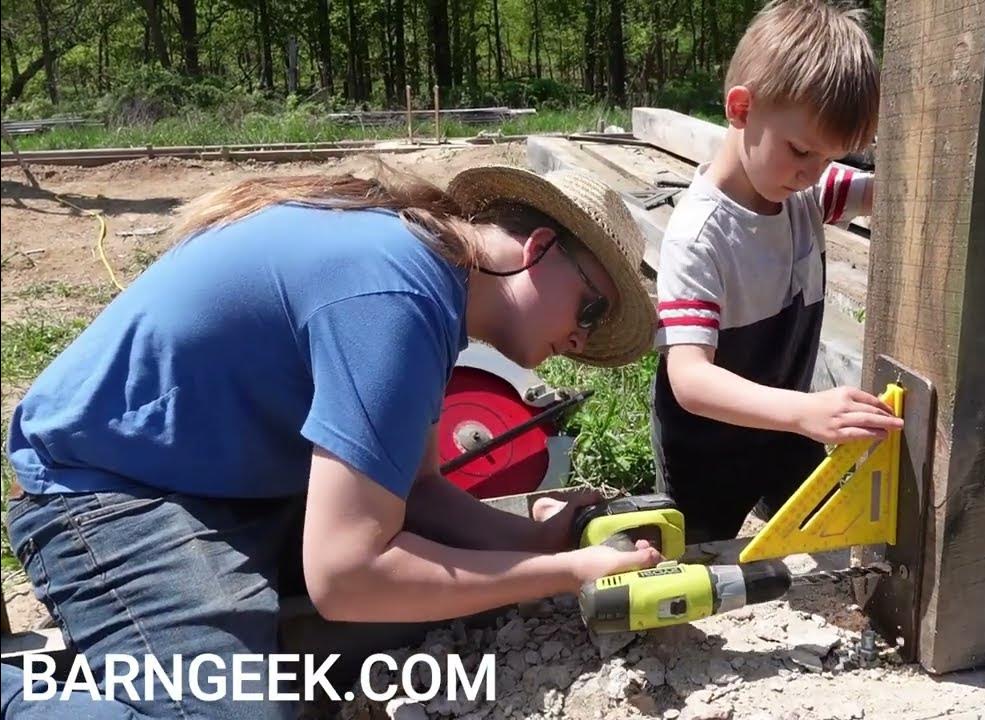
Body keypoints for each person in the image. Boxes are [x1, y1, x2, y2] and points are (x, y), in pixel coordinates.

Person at [2, 162, 663, 718]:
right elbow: (346, 577)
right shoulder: (394, 292)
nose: (580, 341)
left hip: (220, 482)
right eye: (591, 309)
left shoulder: (425, 277)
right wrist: (562, 573)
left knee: (423, 608)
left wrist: (530, 543)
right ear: (539, 247)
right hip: (103, 492)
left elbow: (417, 490)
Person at [651, 0, 904, 543]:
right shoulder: (700, 235)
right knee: (701, 563)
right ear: (741, 110)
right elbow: (690, 380)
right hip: (707, 448)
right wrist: (803, 412)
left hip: (786, 428)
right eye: (802, 151)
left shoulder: (800, 192)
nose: (813, 172)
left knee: (825, 530)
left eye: (829, 157)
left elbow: (885, 190)